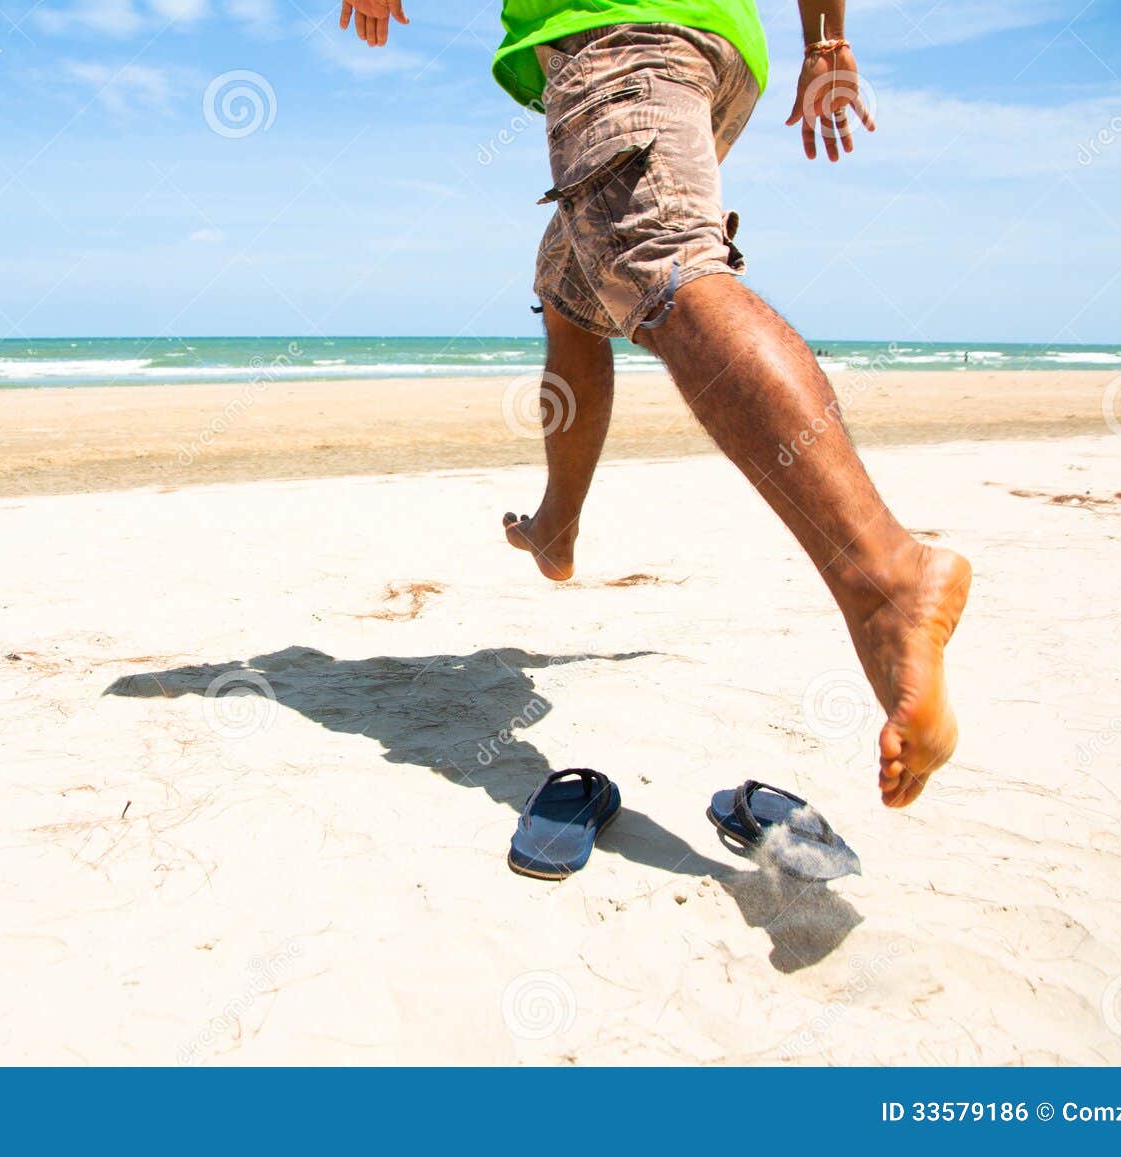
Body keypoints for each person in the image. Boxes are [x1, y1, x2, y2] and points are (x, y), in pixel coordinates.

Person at [338, 1, 971, 809]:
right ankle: (557, 525)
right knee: (572, 287)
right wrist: (825, 40)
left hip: (619, 31)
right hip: (716, 50)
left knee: (662, 265)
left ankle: (889, 577)